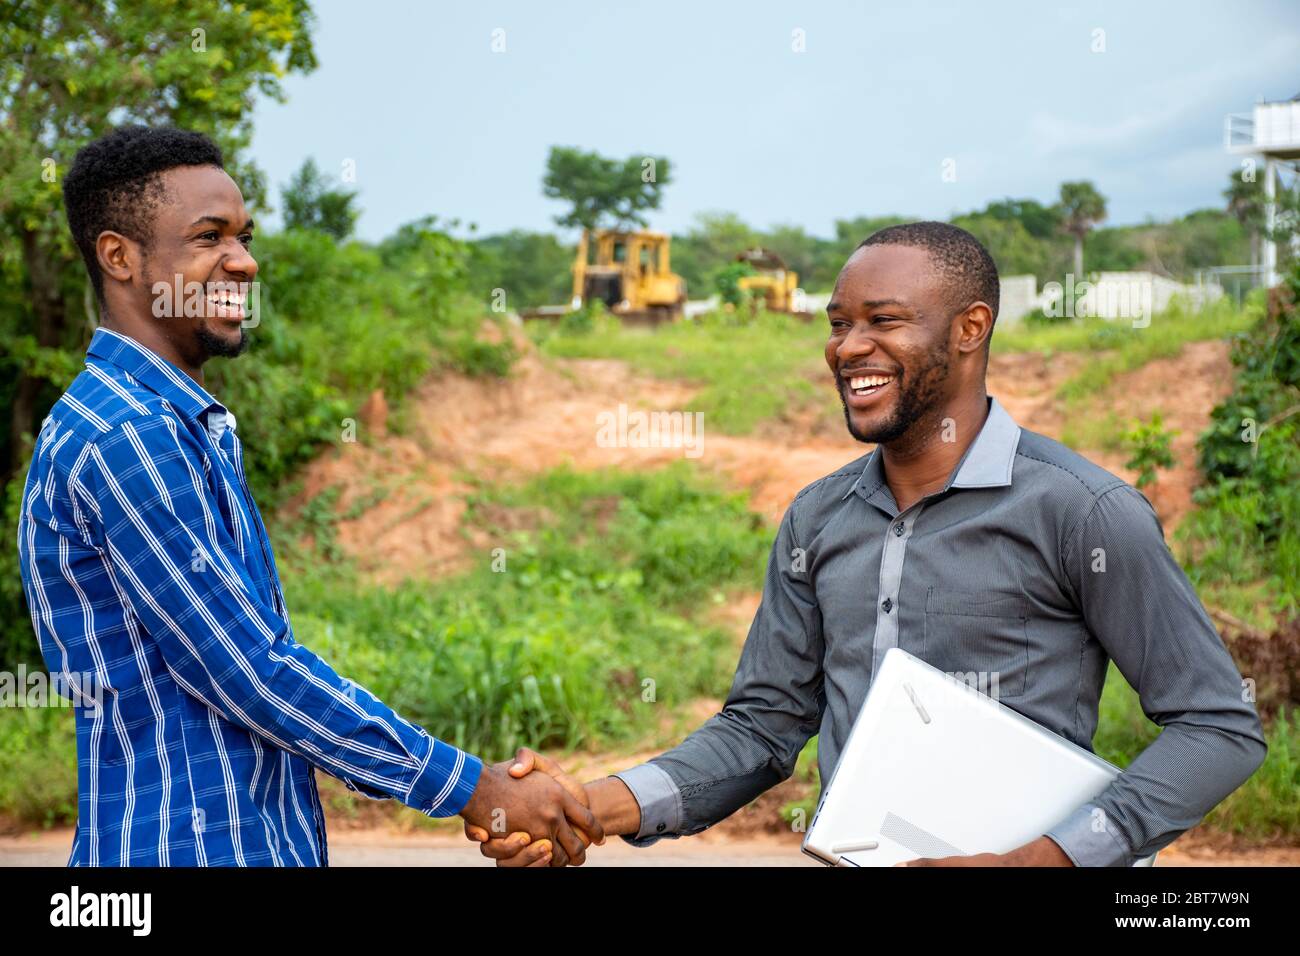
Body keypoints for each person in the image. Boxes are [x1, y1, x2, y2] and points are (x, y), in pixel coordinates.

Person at [472, 221, 1269, 867]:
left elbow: (1217, 726)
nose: (848, 348)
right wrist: (588, 805)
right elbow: (763, 728)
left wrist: (1044, 862)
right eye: (839, 324)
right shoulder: (817, 519)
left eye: (883, 321)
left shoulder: (1084, 512)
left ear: (970, 328)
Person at [17, 125, 602, 866]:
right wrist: (475, 787)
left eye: (245, 236)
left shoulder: (170, 424)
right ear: (119, 257)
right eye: (209, 237)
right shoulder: (129, 436)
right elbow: (249, 670)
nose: (244, 260)